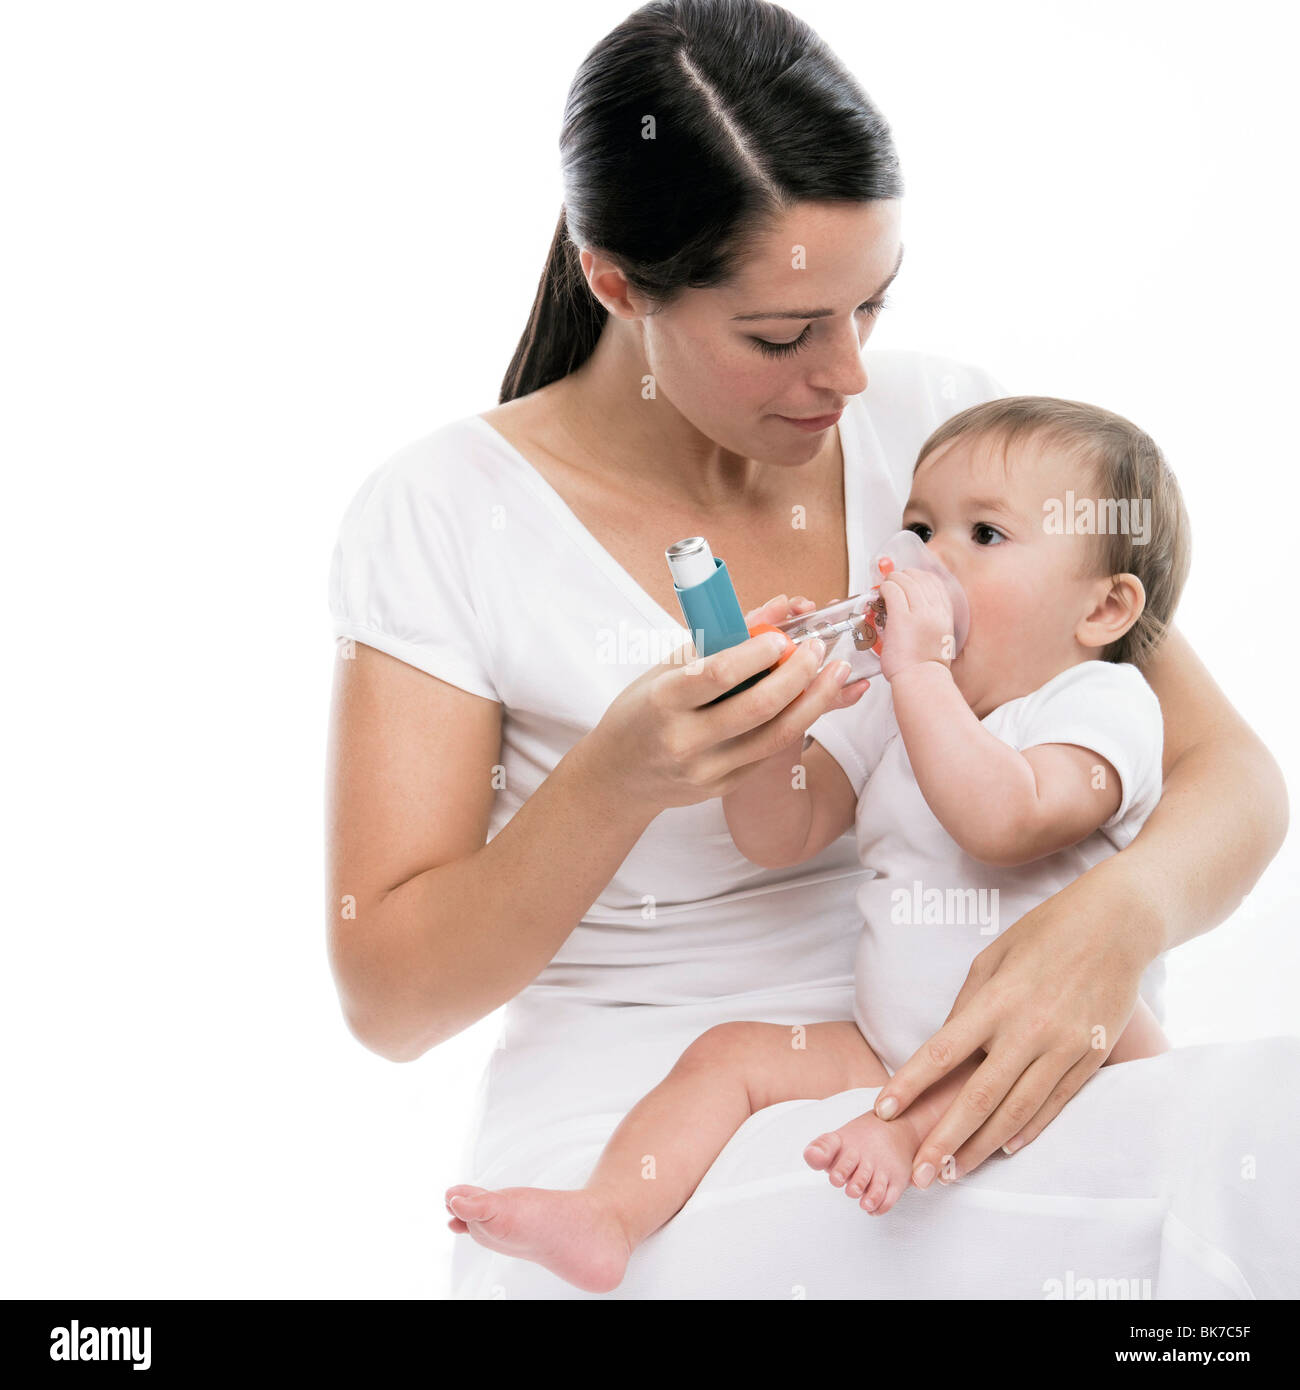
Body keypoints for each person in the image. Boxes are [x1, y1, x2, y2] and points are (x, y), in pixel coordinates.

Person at [325, 0, 1287, 1297]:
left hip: (991, 1062)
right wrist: (621, 776)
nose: (845, 377)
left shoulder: (960, 445)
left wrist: (1114, 924)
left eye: (870, 305)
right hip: (655, 1129)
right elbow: (393, 999)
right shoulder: (444, 514)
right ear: (618, 280)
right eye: (781, 334)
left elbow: (1232, 774)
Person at [441, 395, 1183, 1292]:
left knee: (1129, 1105)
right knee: (728, 1059)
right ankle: (607, 1213)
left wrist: (915, 673)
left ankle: (915, 1136)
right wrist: (769, 726)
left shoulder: (1098, 705)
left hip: (1053, 1049)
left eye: (984, 536)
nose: (927, 559)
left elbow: (1007, 819)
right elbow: (780, 834)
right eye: (918, 527)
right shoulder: (901, 705)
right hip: (889, 1042)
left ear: (1104, 608)